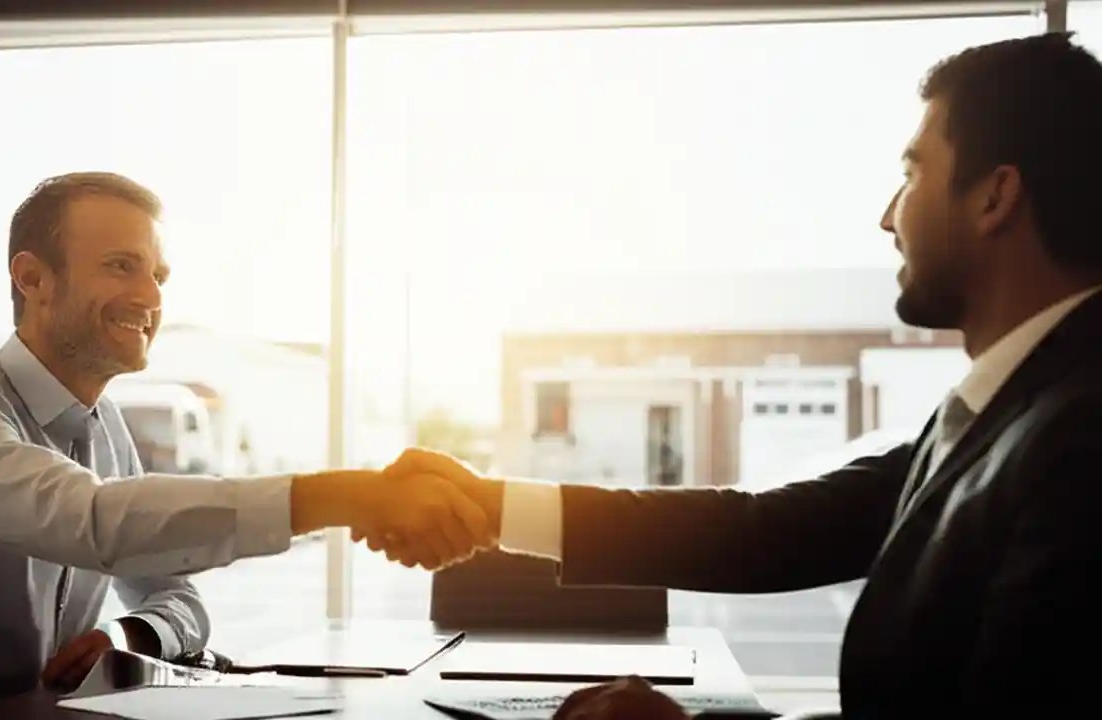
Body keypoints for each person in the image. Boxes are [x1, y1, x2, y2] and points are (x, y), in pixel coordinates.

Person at [375, 32, 1102, 717]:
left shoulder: (1079, 440)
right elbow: (762, 531)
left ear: (994, 196)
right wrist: (489, 506)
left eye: (912, 174)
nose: (888, 217)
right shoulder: (1009, 417)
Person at [0, 172, 493, 719]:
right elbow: (92, 522)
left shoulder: (106, 429)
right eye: (121, 267)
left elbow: (180, 602)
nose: (149, 296)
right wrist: (347, 496)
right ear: (33, 280)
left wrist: (123, 636)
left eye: (158, 275)